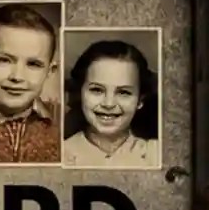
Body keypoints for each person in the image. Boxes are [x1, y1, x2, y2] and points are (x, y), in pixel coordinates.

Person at [0, 4, 61, 164]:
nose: (17, 77)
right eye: (4, 60)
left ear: (50, 71)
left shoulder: (64, 126)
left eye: (33, 64)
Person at [62, 38, 160, 168]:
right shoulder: (57, 156)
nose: (109, 104)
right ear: (80, 93)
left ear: (140, 101)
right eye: (97, 90)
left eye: (123, 92)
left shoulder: (157, 155)